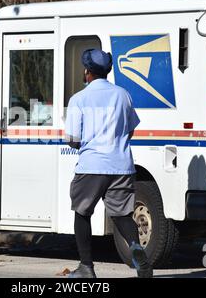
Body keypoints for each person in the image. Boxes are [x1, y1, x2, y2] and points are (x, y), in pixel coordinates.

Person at [64, 49, 153, 278]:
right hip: (122, 166)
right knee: (122, 215)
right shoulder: (123, 95)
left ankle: (86, 267)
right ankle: (136, 247)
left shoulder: (79, 99)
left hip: (91, 166)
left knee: (82, 213)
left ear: (87, 72)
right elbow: (131, 129)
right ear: (108, 71)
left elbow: (73, 140)